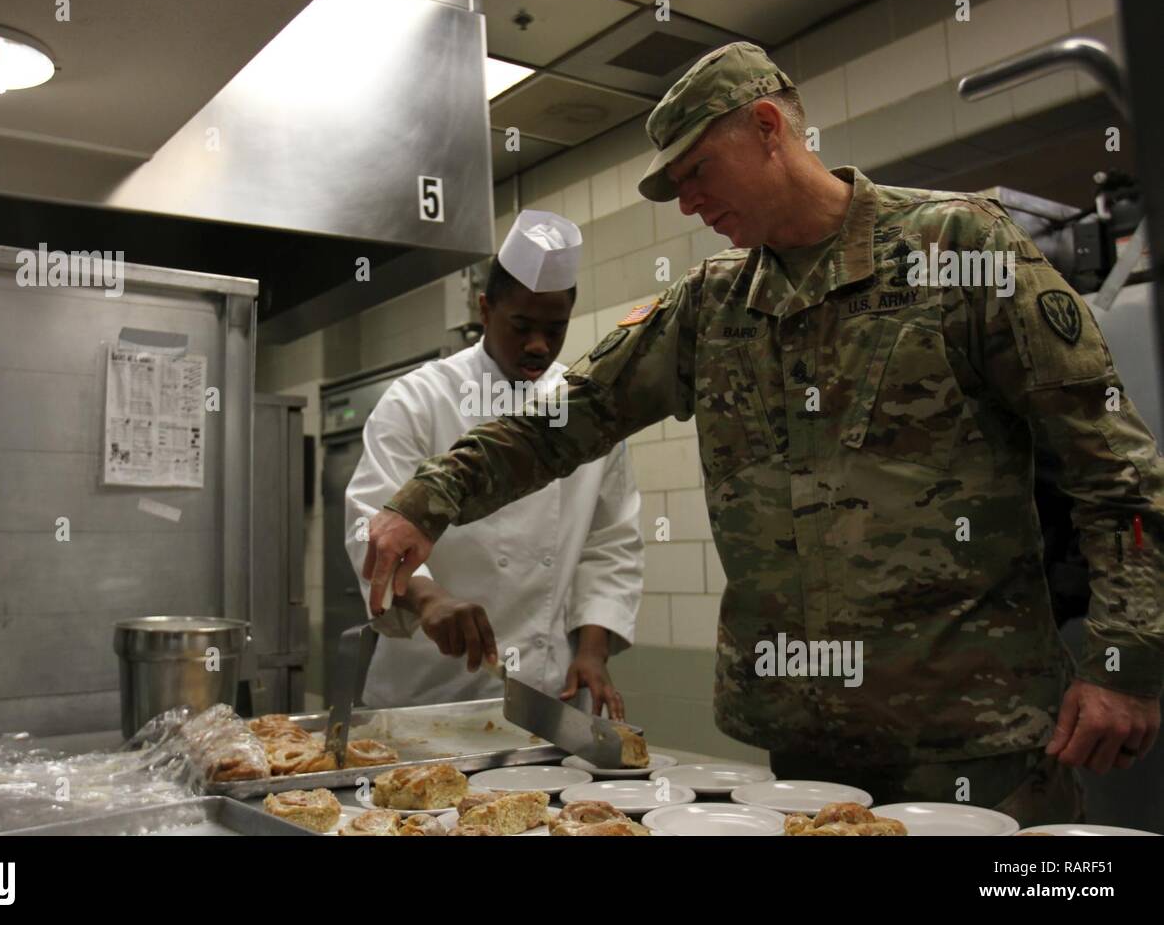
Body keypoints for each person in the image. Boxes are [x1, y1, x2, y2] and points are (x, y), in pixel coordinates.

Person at [359, 43, 1164, 826]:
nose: (686, 202)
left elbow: (1116, 472)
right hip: (805, 748)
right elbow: (569, 417)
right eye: (674, 184)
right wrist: (432, 498)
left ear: (770, 127)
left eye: (698, 170)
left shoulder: (957, 249)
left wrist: (1127, 662)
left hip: (976, 739)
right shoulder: (712, 307)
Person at [344, 210, 643, 717]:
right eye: (521, 326)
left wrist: (592, 651)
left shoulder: (586, 409)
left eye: (555, 329)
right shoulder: (420, 398)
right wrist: (430, 599)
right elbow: (370, 526)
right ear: (485, 310)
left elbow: (610, 541)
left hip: (545, 696)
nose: (538, 346)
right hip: (428, 693)